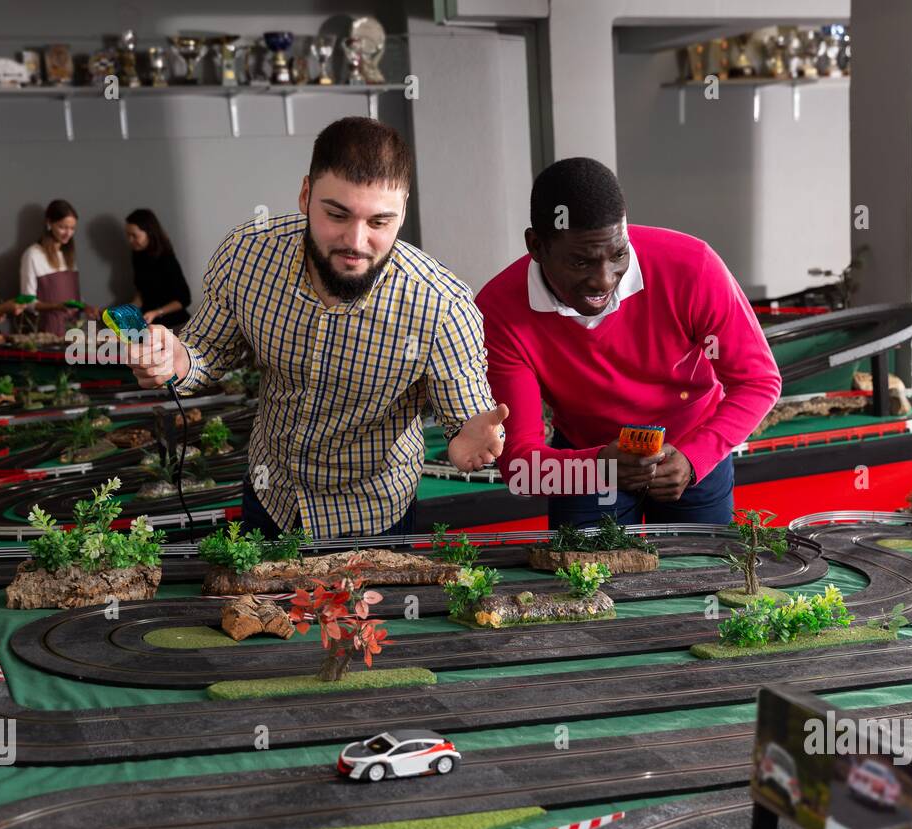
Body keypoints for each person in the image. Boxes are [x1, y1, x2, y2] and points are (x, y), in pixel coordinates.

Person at [127, 116, 508, 540]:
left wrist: (467, 438)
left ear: (402, 212)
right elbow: (207, 351)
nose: (356, 242)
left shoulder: (443, 306)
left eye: (379, 222)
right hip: (269, 496)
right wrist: (178, 359)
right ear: (306, 194)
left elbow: (469, 417)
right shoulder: (245, 256)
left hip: (371, 519)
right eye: (336, 214)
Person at [476, 157, 781, 528]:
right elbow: (522, 468)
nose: (604, 280)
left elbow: (758, 381)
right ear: (536, 246)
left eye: (618, 254)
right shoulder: (499, 310)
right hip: (585, 460)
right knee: (582, 584)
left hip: (693, 446)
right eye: (580, 262)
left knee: (703, 576)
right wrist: (599, 467)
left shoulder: (693, 267)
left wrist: (694, 457)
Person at [19, 199, 97, 335]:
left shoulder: (69, 256)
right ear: (49, 223)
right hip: (46, 333)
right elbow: (27, 302)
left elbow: (74, 297)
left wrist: (85, 307)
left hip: (72, 332)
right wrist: (57, 306)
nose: (68, 233)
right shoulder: (33, 255)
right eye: (63, 227)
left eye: (72, 228)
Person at [124, 208, 191, 329]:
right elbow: (142, 292)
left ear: (148, 233)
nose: (130, 240)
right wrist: (129, 309)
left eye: (134, 235)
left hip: (176, 324)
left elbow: (184, 299)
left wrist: (156, 312)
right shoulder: (137, 256)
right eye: (128, 235)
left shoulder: (166, 259)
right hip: (152, 325)